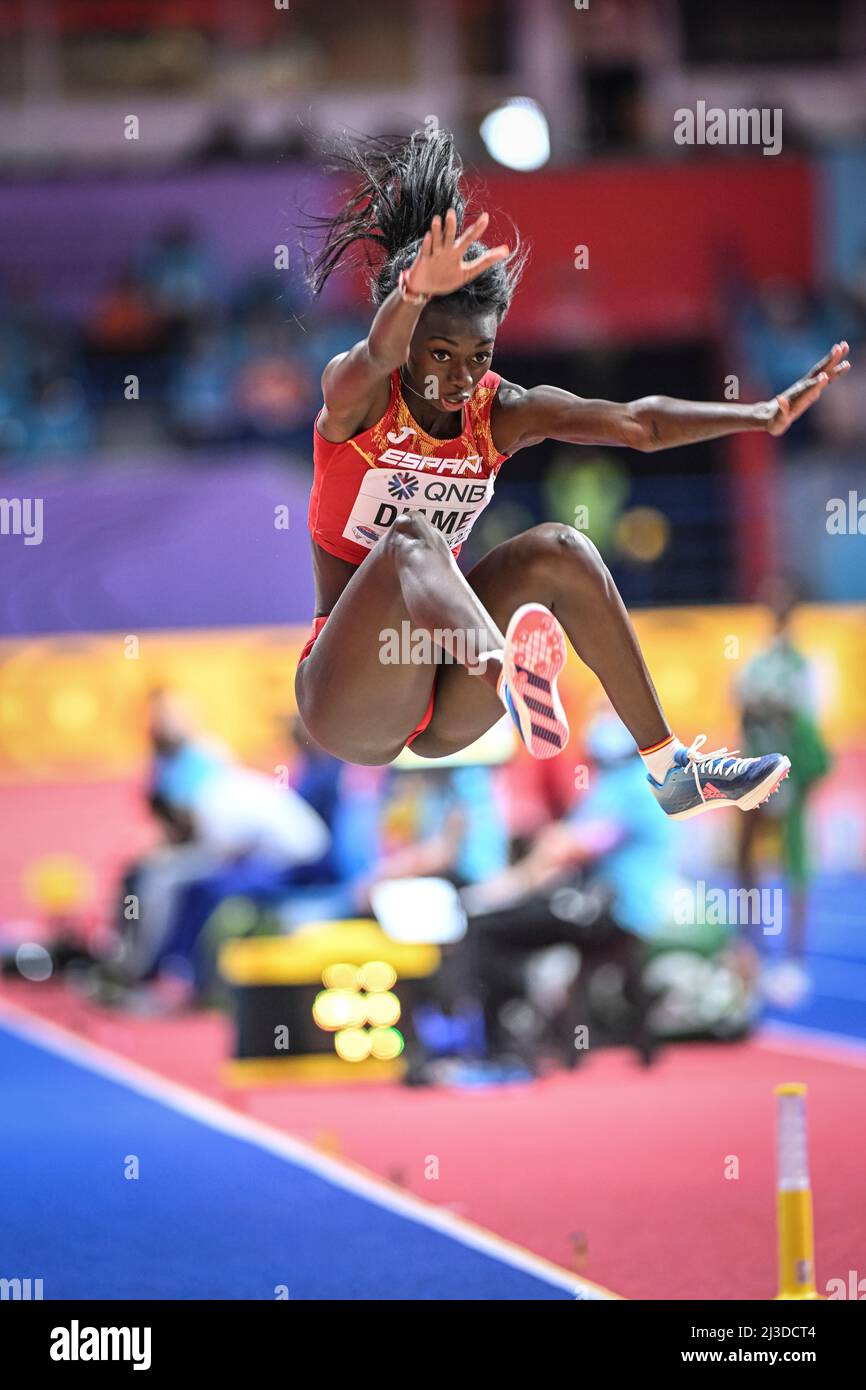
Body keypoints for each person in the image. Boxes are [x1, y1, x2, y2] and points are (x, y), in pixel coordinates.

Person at [295, 128, 851, 821]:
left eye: (479, 355)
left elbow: (636, 423)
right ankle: (511, 674)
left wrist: (758, 413)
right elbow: (374, 353)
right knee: (411, 538)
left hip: (443, 701)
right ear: (408, 339)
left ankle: (671, 768)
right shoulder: (358, 398)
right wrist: (409, 294)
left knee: (562, 547)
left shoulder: (500, 412)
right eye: (440, 353)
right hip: (349, 695)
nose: (461, 377)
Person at [735, 580, 832, 1006]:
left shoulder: (806, 664)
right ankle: (751, 944)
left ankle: (794, 958)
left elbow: (806, 716)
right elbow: (743, 708)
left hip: (789, 769)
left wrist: (770, 707)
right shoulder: (754, 662)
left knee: (795, 859)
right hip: (756, 767)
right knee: (744, 855)